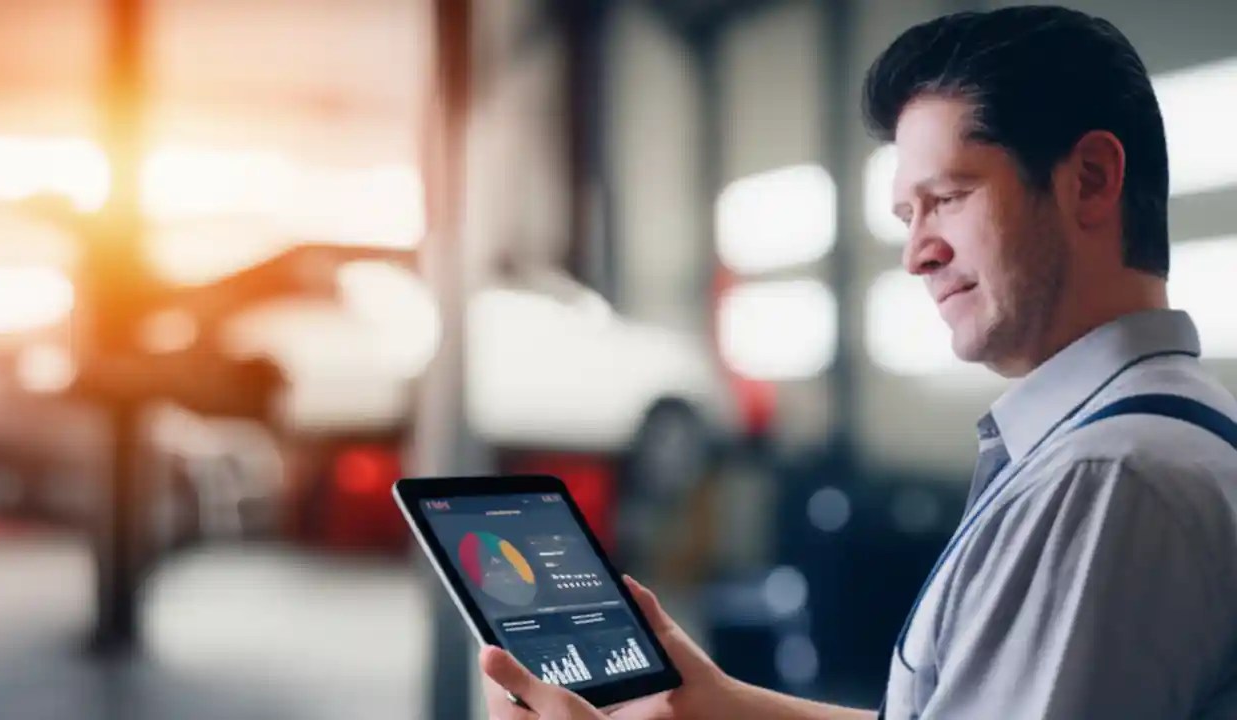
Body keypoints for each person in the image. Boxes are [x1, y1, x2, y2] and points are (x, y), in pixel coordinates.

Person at [479, 6, 1237, 719]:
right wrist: (724, 708)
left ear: (1093, 180)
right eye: (909, 217)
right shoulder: (1160, 436)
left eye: (949, 196)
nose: (917, 254)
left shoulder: (1105, 480)